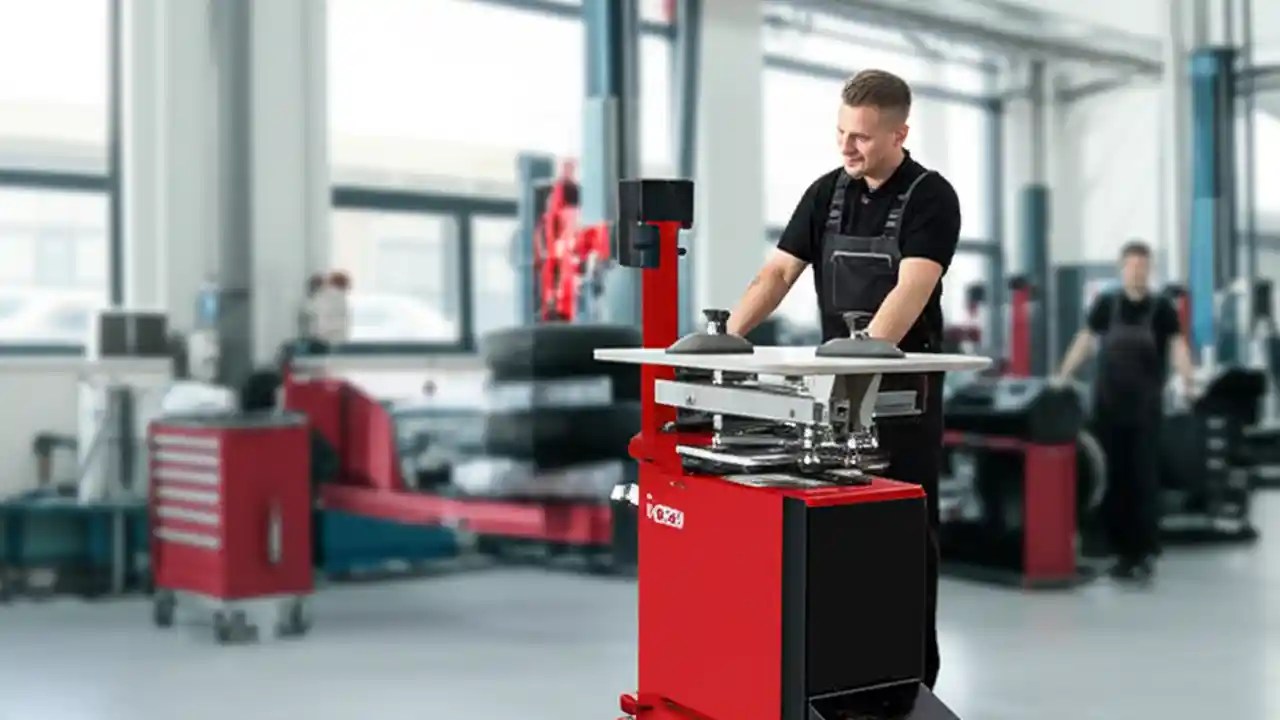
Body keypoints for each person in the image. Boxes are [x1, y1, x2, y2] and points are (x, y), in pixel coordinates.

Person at [726, 68, 962, 693]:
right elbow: (776, 275)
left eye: (860, 136)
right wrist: (726, 338)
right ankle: (840, 681)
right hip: (834, 399)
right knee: (836, 541)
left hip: (901, 402)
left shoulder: (931, 197)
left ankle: (911, 684)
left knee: (904, 542)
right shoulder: (825, 193)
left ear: (899, 133)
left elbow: (913, 287)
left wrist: (863, 356)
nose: (846, 146)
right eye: (840, 132)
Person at [1053, 240, 1196, 583]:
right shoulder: (1106, 304)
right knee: (1113, 480)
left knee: (1143, 481)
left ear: (1149, 269)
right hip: (1108, 407)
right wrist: (1061, 375)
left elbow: (1177, 347)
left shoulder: (1162, 309)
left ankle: (1143, 552)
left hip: (1145, 410)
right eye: (1131, 266)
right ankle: (1119, 552)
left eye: (1143, 266)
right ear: (1122, 269)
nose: (1137, 272)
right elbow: (1086, 340)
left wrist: (1190, 381)